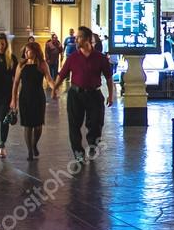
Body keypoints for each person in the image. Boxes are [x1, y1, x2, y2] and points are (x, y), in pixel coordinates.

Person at [52, 26, 115, 162]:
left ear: (87, 39)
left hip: (94, 94)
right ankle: (78, 152)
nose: (76, 39)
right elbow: (62, 75)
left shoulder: (100, 57)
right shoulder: (73, 57)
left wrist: (111, 95)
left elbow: (109, 78)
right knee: (74, 125)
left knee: (96, 123)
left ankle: (92, 145)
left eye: (79, 37)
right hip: (76, 95)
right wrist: (54, 89)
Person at [12, 41, 53, 161]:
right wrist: (13, 100)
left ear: (35, 51)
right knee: (27, 126)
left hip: (38, 97)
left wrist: (54, 87)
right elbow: (15, 83)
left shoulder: (42, 64)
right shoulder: (21, 65)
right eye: (25, 50)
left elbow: (49, 79)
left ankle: (34, 143)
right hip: (25, 97)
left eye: (28, 50)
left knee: (38, 125)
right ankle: (29, 150)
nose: (26, 52)